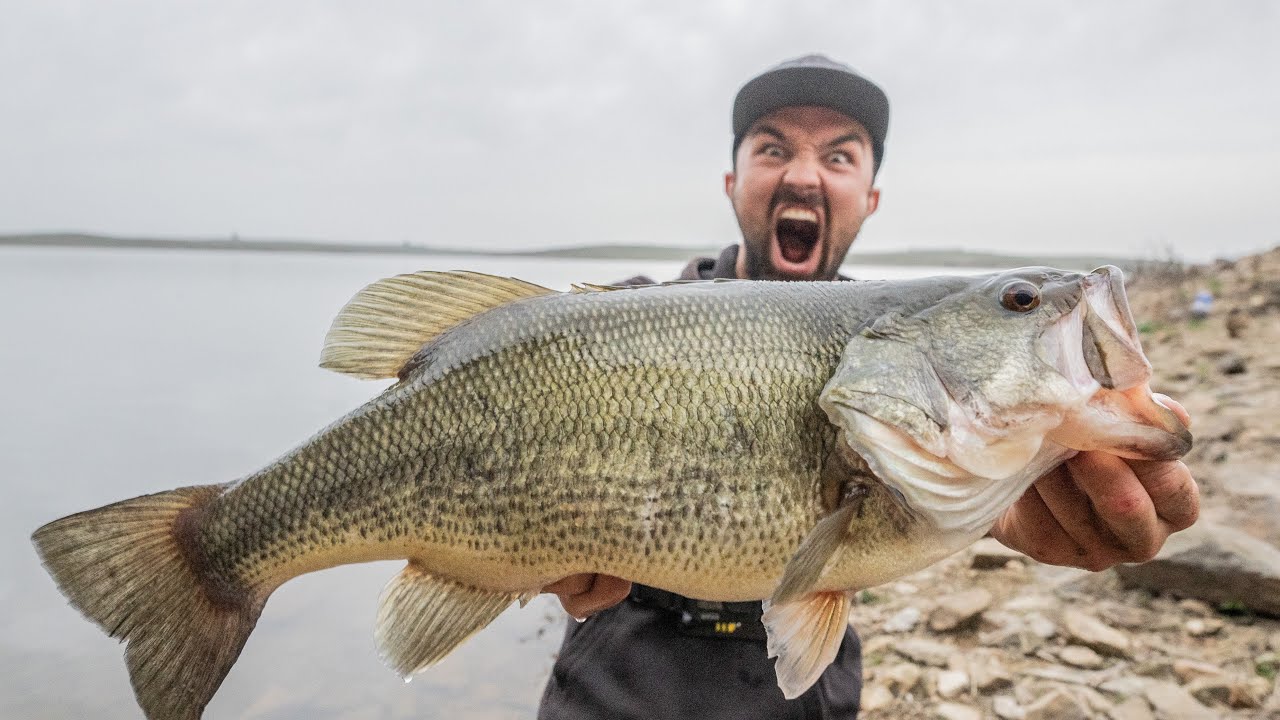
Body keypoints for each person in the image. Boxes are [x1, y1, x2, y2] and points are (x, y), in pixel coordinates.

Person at [536, 55, 1200, 719]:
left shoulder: (902, 359)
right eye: (773, 148)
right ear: (733, 181)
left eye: (839, 156)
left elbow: (921, 488)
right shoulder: (605, 331)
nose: (802, 174)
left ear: (870, 197)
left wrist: (1002, 502)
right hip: (611, 679)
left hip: (810, 699)